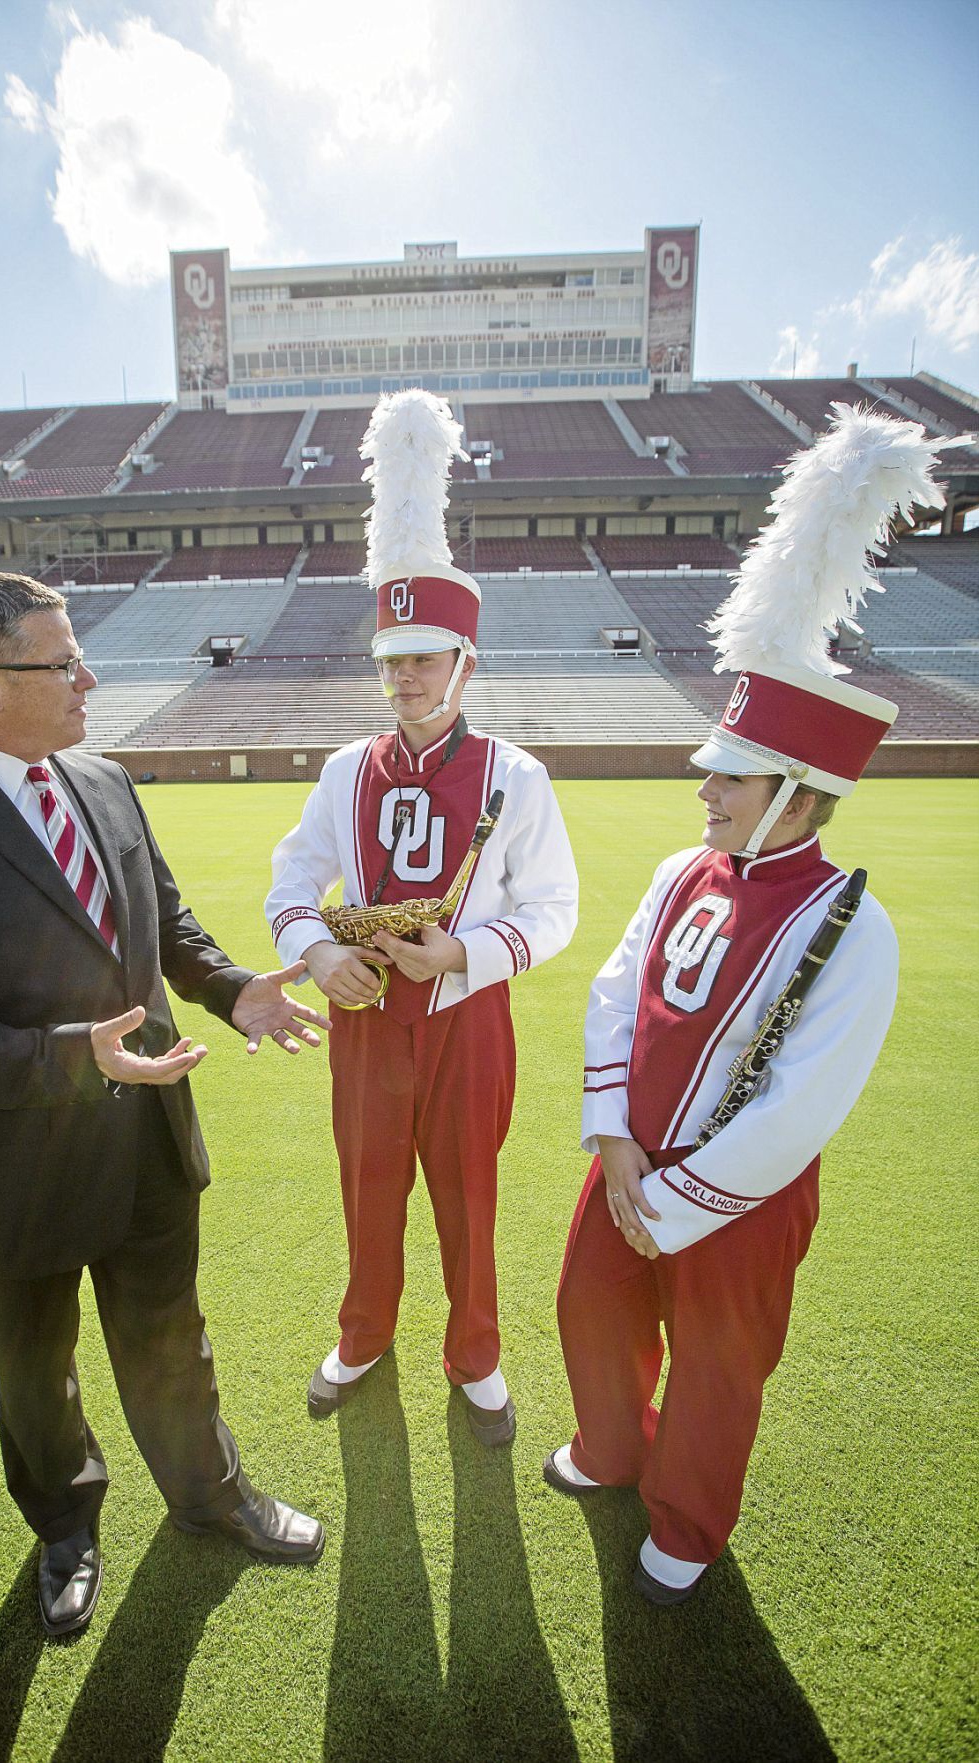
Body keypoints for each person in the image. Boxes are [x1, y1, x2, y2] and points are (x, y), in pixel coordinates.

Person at [0, 571, 330, 1638]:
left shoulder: (102, 778)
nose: (87, 677)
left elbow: (166, 920)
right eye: (60, 662)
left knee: (172, 1339)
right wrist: (72, 1057)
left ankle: (212, 1496)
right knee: (35, 1369)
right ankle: (65, 1523)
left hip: (147, 1138)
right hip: (8, 1173)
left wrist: (232, 987)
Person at [548, 403, 952, 1604]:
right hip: (628, 1154)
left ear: (798, 791)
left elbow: (799, 1106)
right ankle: (612, 1450)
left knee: (721, 1364)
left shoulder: (853, 924)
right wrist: (616, 1139)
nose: (707, 790)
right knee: (587, 1305)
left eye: (730, 776)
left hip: (741, 1193)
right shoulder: (683, 870)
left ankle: (686, 1517)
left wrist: (672, 1195)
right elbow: (620, 989)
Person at [266, 390, 578, 1443]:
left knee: (467, 1195)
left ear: (464, 663)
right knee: (367, 1188)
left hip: (466, 1018)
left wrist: (468, 952)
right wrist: (315, 952)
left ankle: (477, 1352)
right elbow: (289, 882)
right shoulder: (343, 766)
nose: (404, 675)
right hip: (362, 1019)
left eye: (424, 657)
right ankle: (363, 1333)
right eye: (391, 657)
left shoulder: (517, 772)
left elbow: (557, 908)